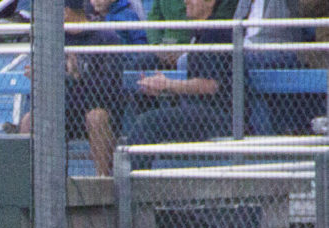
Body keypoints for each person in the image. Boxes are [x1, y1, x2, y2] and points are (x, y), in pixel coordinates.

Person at [15, 0, 124, 177]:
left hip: (97, 109)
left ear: (65, 12)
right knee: (29, 119)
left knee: (96, 117)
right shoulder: (52, 39)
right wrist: (41, 78)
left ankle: (102, 182)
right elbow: (43, 95)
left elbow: (109, 89)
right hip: (62, 110)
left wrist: (78, 76)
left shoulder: (105, 37)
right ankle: (28, 182)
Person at [130, 0, 239, 158]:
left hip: (222, 115)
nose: (185, 1)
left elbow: (210, 85)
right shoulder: (199, 33)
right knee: (146, 118)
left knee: (148, 123)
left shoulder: (216, 32)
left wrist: (168, 84)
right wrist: (162, 89)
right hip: (199, 110)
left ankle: (135, 173)